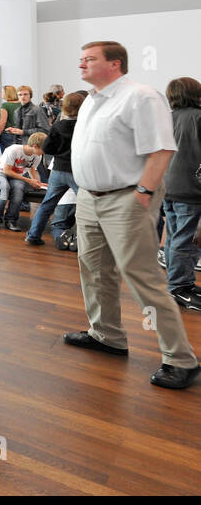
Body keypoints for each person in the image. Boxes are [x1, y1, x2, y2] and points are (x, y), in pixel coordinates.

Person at [66, 41, 198, 389]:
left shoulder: (141, 96)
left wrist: (144, 192)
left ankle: (180, 358)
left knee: (142, 278)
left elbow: (162, 149)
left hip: (126, 197)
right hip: (89, 197)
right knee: (93, 269)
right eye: (81, 59)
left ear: (115, 64)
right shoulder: (91, 100)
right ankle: (106, 334)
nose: (82, 63)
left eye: (90, 59)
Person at [26, 91, 87, 245]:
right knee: (86, 207)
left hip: (58, 170)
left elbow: (48, 148)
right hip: (77, 172)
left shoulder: (58, 125)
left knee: (47, 204)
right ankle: (81, 241)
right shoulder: (85, 126)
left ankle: (33, 235)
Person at [163, 77, 201, 311]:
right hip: (190, 187)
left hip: (168, 186)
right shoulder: (198, 117)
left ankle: (177, 282)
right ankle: (180, 286)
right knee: (185, 238)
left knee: (175, 235)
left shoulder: (167, 118)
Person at [0, 132, 47, 230]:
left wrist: (36, 182)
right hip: (1, 173)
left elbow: (32, 168)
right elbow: (6, 171)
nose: (44, 152)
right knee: (3, 187)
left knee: (18, 191)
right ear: (35, 146)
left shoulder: (37, 156)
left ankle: (11, 220)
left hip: (17, 176)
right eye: (43, 149)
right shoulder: (14, 150)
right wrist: (28, 180)